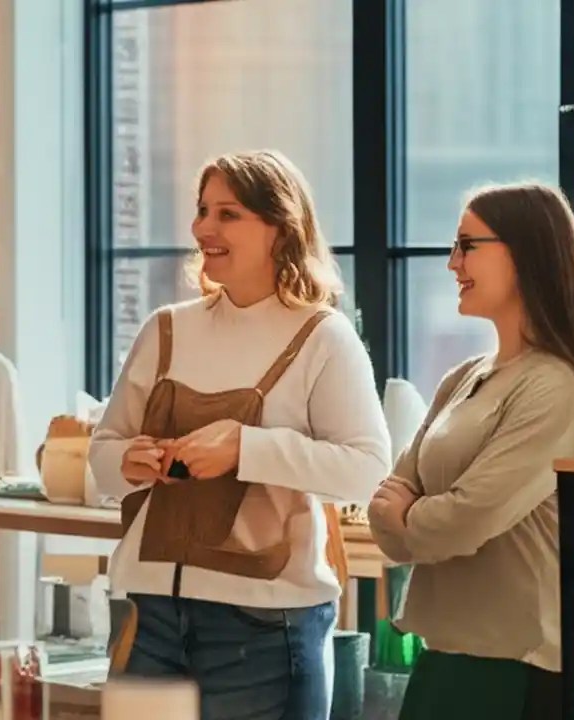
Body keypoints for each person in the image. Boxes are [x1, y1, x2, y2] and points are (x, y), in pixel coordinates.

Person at [89, 149, 391, 720]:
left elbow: (367, 469)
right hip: (148, 618)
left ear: (281, 228)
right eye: (202, 210)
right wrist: (128, 460)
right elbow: (102, 457)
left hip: (264, 628)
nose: (203, 228)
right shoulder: (165, 329)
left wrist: (244, 449)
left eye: (228, 214)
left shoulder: (323, 337)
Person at [367, 182, 574, 720]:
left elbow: (469, 518)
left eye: (467, 245)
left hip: (511, 664)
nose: (452, 263)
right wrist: (411, 521)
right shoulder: (463, 377)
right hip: (443, 653)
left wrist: (409, 517)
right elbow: (386, 502)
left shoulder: (552, 386)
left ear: (525, 252)